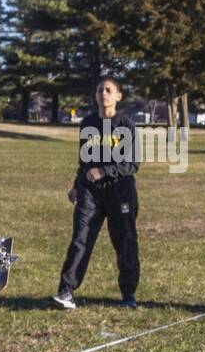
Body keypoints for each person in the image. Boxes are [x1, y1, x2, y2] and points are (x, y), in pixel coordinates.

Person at [53, 76, 141, 310]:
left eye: (109, 90)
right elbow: (84, 160)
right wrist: (75, 184)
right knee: (80, 239)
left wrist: (104, 171)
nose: (104, 93)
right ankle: (66, 291)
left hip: (120, 192)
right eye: (100, 89)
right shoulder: (88, 124)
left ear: (118, 97)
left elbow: (132, 164)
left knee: (125, 242)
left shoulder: (127, 126)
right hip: (89, 191)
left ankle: (128, 294)